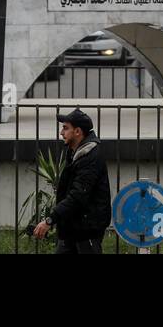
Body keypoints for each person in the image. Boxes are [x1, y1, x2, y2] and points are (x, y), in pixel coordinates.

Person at [33, 108, 112, 253]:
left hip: (86, 229)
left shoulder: (90, 157)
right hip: (73, 228)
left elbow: (77, 196)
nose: (61, 132)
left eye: (65, 128)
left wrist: (50, 220)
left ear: (77, 132)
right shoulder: (75, 152)